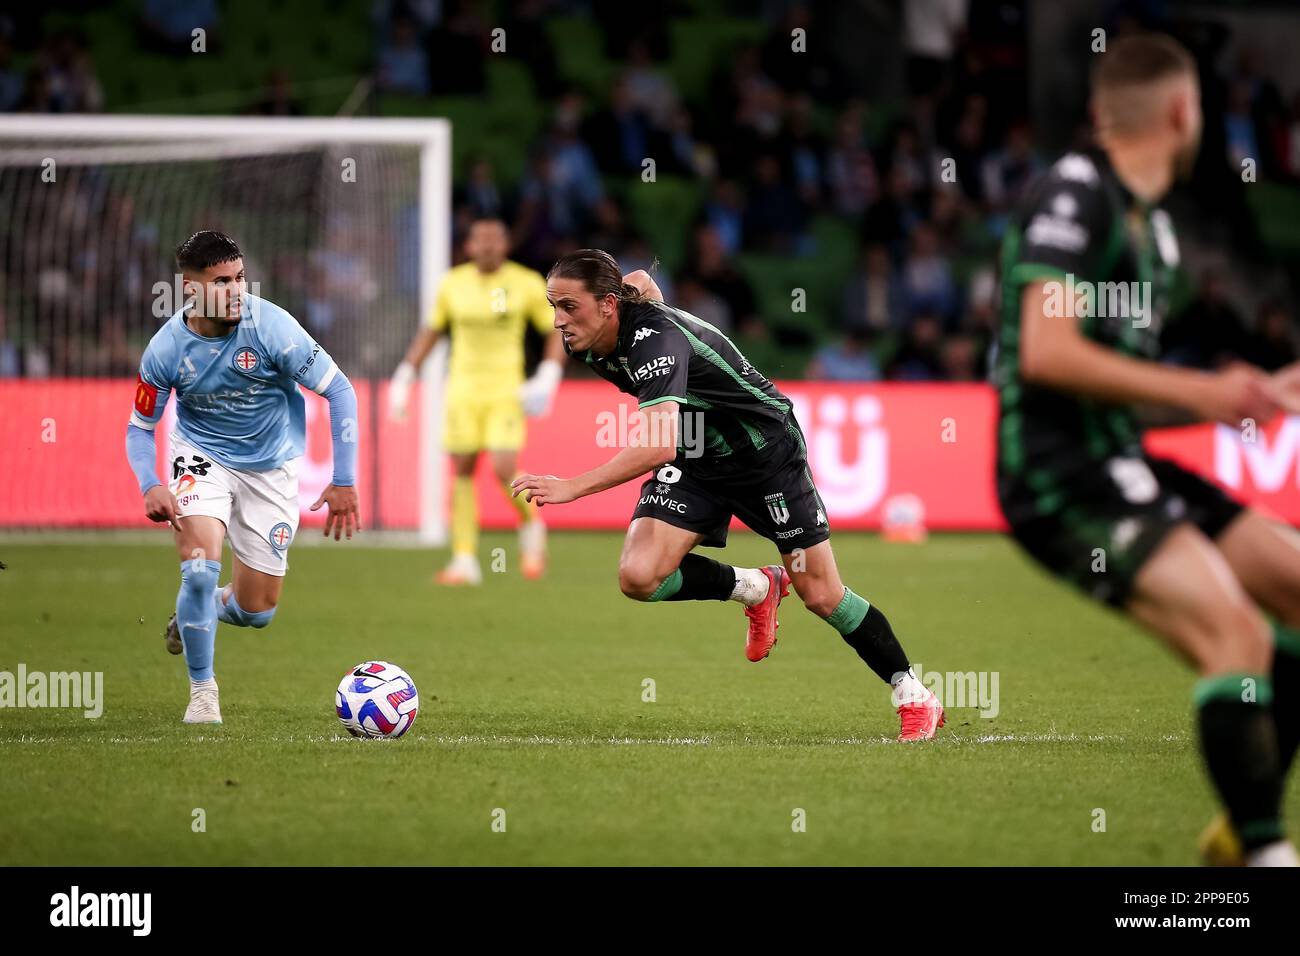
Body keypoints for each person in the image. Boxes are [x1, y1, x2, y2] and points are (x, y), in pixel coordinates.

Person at [993, 33, 1300, 865]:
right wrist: (1209, 391)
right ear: (1182, 112)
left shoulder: (1152, 233)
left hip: (1122, 459)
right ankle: (1266, 856)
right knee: (1235, 635)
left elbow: (1118, 386)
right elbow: (1046, 355)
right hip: (1056, 472)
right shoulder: (1076, 193)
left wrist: (1246, 399)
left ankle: (1242, 831)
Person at [511, 249, 945, 741]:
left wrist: (572, 487)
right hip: (698, 457)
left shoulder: (655, 342)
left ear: (608, 304)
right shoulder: (594, 332)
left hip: (764, 456)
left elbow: (657, 443)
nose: (558, 321)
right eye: (552, 306)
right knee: (638, 575)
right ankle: (756, 587)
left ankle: (914, 694)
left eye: (569, 306)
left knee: (821, 595)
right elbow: (637, 281)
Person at [125, 231, 360, 724]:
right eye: (221, 282)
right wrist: (150, 483)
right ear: (190, 289)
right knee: (198, 565)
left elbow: (339, 391)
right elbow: (140, 428)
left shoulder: (272, 326)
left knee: (258, 610)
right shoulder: (166, 348)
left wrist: (344, 478)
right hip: (201, 459)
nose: (235, 291)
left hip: (271, 469)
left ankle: (198, 611)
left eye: (239, 279)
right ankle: (203, 691)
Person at [388, 217, 564, 583]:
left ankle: (532, 527)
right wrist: (406, 373)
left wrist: (549, 374)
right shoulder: (453, 284)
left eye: (494, 240)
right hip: (462, 391)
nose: (487, 246)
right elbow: (432, 332)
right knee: (463, 470)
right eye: (480, 240)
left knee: (502, 468)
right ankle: (465, 559)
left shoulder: (526, 283)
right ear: (468, 246)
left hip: (506, 391)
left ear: (506, 245)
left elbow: (555, 329)